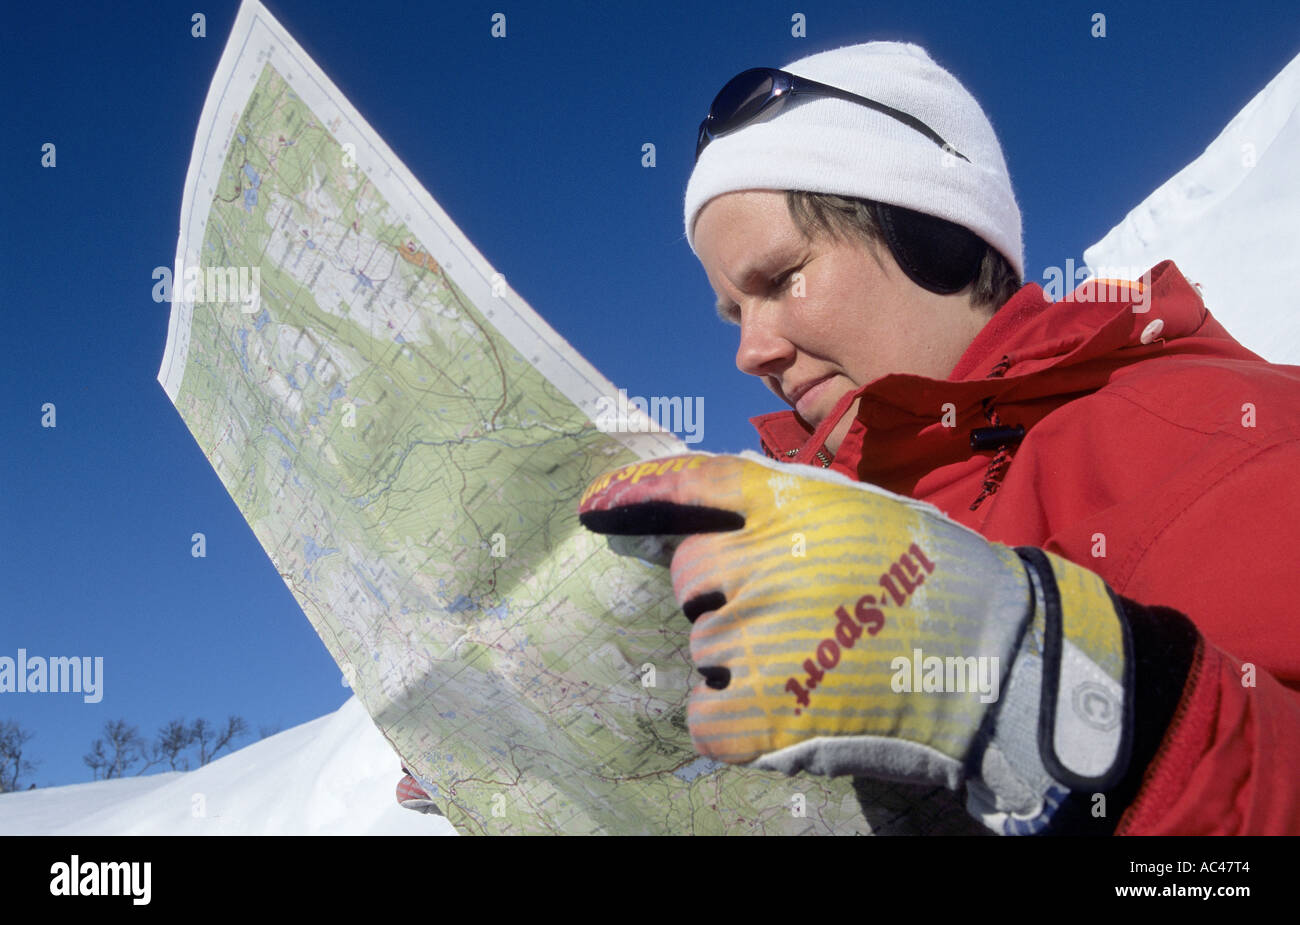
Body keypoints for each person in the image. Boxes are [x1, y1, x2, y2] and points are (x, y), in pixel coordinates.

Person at [577, 42, 1300, 834]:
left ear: (935, 237)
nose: (750, 353)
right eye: (735, 314)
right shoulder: (806, 531)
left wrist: (1079, 710)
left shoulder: (1194, 431)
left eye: (783, 279)